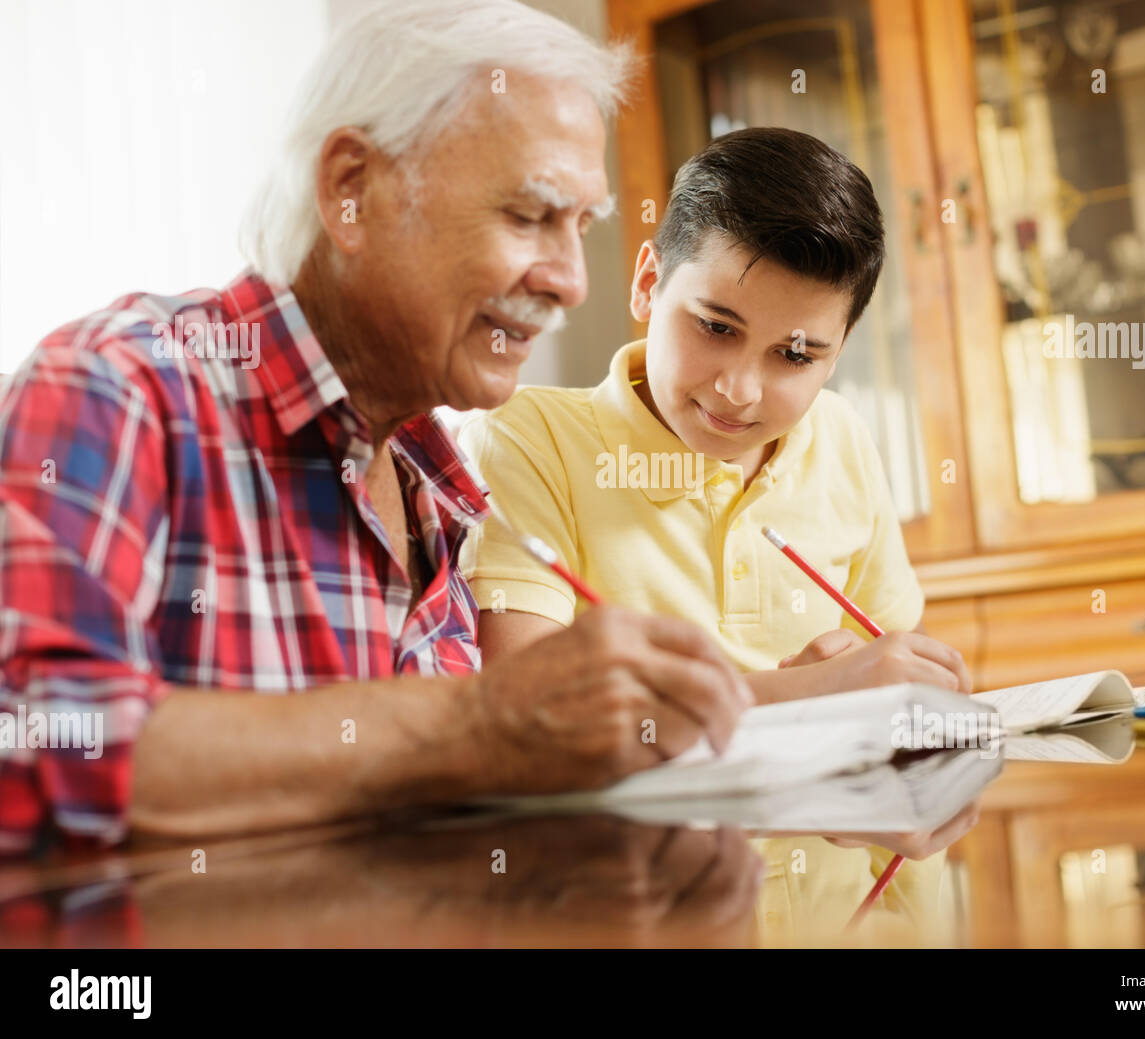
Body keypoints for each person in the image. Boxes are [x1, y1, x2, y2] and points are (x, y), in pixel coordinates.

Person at [0, 0, 753, 855]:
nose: (573, 282)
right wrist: (477, 723)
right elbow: (33, 743)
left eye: (582, 226)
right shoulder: (120, 386)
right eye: (527, 214)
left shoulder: (442, 488)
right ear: (351, 190)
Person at [458, 127, 976, 927]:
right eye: (715, 326)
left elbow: (892, 703)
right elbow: (532, 729)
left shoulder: (841, 440)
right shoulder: (529, 439)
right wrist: (811, 695)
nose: (740, 389)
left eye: (796, 355)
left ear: (837, 356)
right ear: (646, 282)